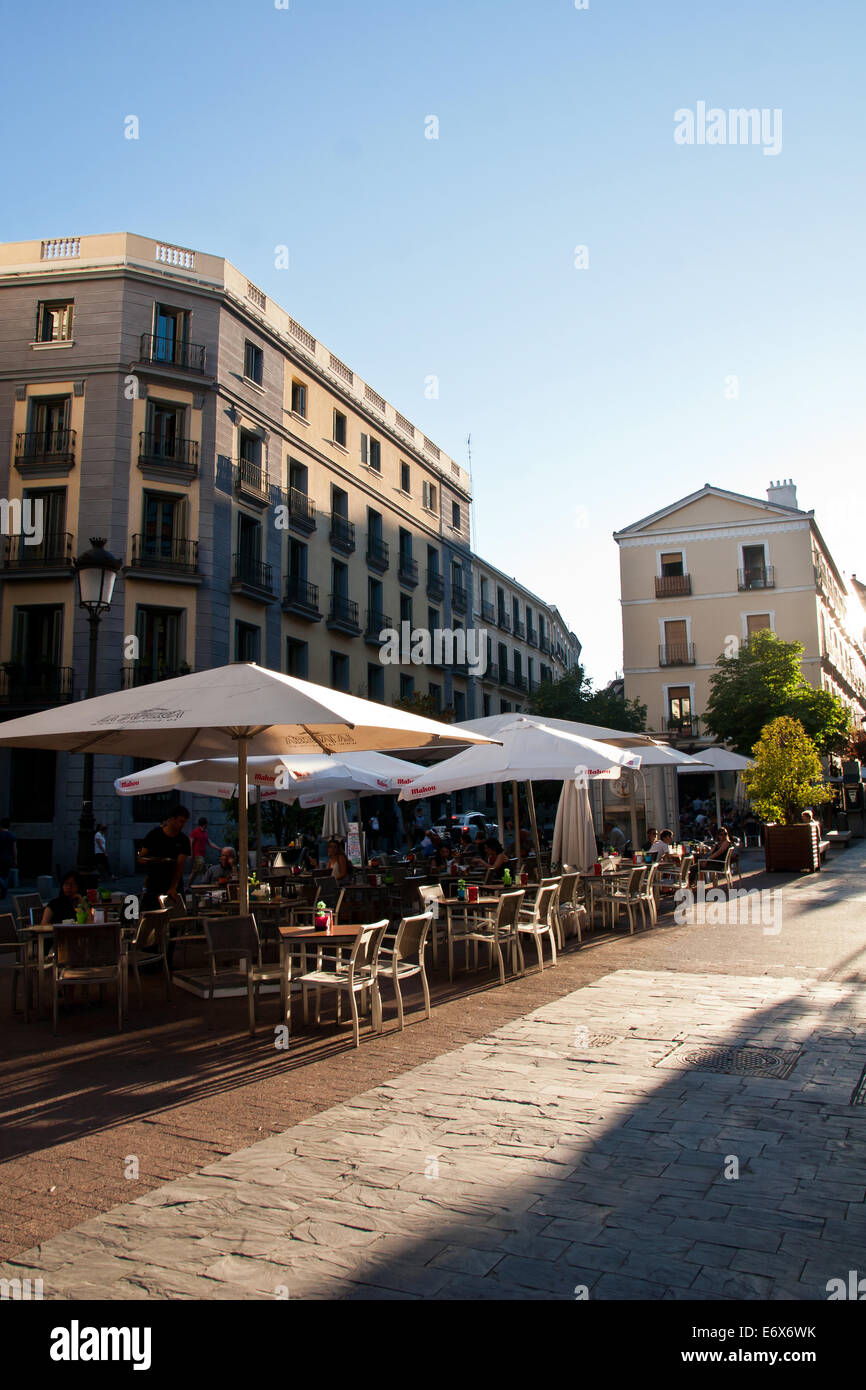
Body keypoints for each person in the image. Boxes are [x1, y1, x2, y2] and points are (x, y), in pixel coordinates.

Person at [138, 804, 191, 909]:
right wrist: (149, 860)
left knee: (175, 915)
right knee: (152, 914)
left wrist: (173, 887)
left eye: (185, 822)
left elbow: (180, 865)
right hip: (154, 882)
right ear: (172, 819)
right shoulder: (154, 835)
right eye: (181, 821)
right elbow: (141, 856)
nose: (182, 825)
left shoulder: (183, 840)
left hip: (174, 883)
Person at [188, 817, 219, 885]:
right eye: (207, 824)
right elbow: (191, 843)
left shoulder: (205, 832)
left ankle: (190, 886)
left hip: (202, 854)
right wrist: (191, 854)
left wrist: (219, 848)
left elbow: (210, 842)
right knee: (199, 869)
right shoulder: (195, 832)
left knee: (196, 872)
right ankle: (201, 885)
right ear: (205, 824)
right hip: (197, 854)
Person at [0, 817, 17, 899]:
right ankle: (4, 892)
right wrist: (15, 859)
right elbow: (14, 849)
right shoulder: (12, 835)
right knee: (5, 876)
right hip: (8, 859)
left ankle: (4, 887)